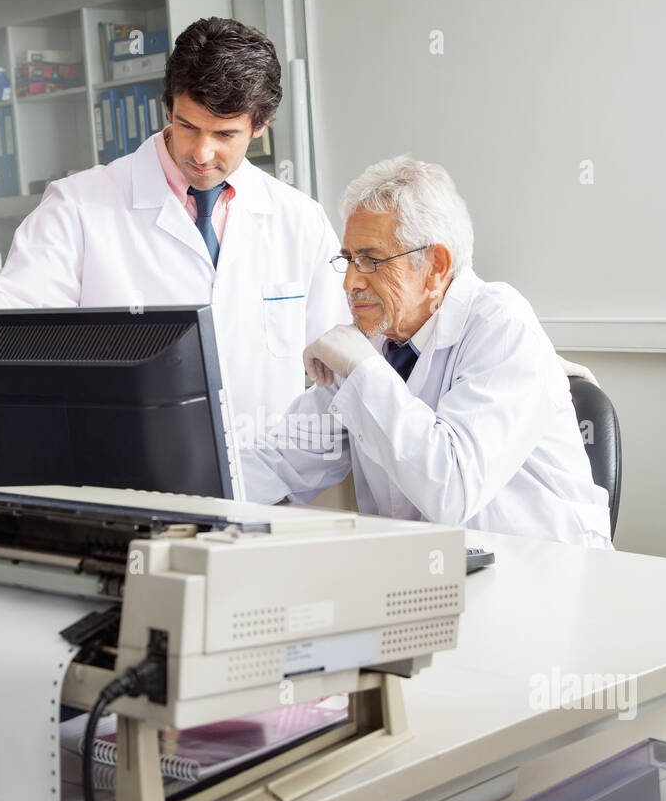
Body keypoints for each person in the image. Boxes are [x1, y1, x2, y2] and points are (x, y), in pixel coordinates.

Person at [0, 17, 345, 427]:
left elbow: (340, 363)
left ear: (260, 125)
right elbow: (1, 328)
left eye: (224, 135)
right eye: (188, 126)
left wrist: (297, 472)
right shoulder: (77, 206)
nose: (201, 152)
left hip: (267, 482)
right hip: (126, 476)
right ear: (168, 107)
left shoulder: (299, 219)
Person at [241, 156, 613, 547]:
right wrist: (183, 496)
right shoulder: (375, 338)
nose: (349, 282)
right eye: (348, 260)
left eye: (370, 260)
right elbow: (282, 461)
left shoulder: (502, 324)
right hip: (429, 576)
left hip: (545, 575)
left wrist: (365, 369)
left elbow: (451, 491)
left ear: (436, 266)